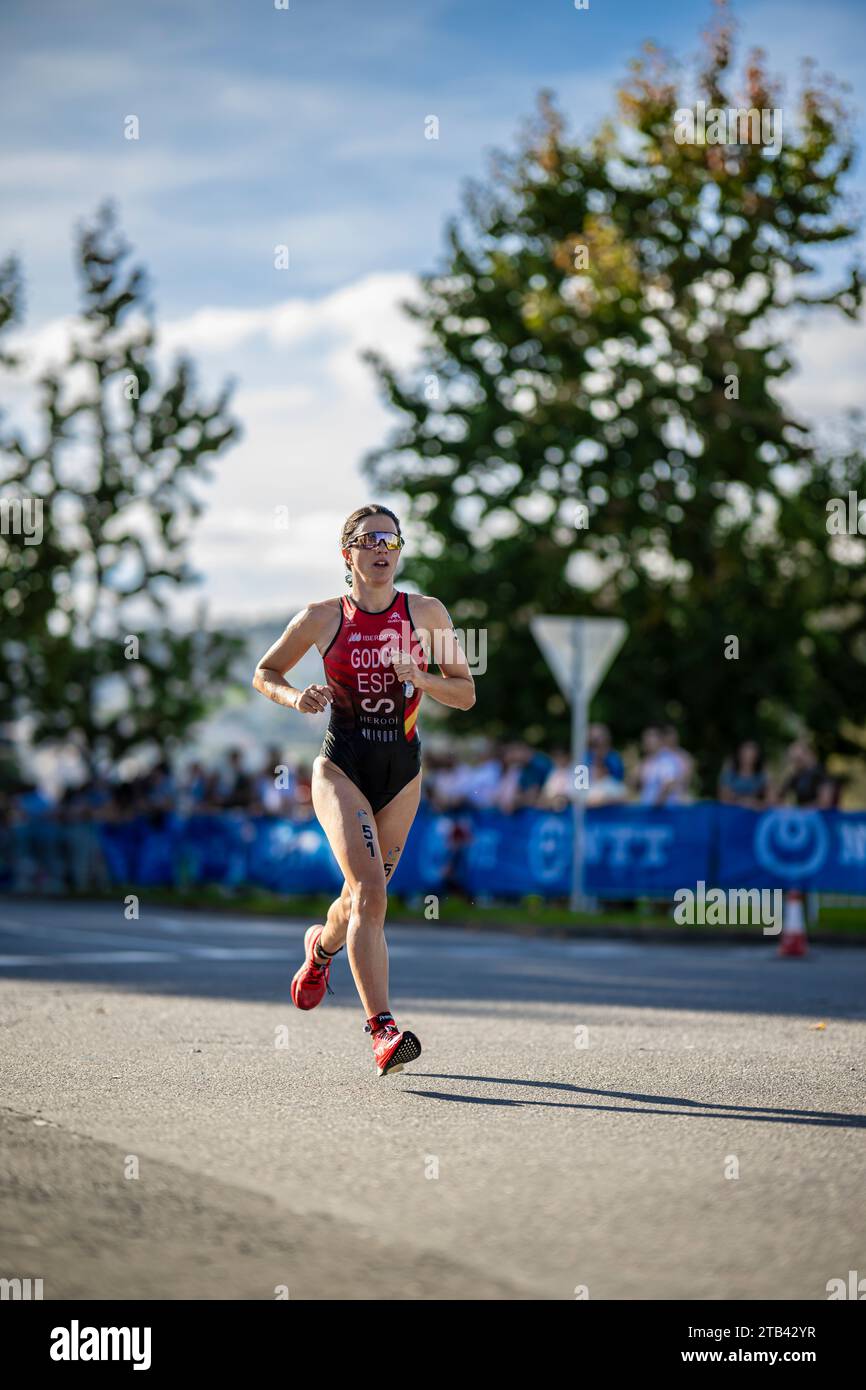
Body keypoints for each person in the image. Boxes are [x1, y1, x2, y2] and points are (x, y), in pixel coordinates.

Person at [252, 504, 475, 1077]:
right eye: (369, 539)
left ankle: (320, 950)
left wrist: (420, 677)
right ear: (347, 553)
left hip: (402, 772)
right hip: (342, 766)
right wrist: (295, 697)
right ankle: (382, 1031)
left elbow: (465, 693)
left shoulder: (426, 613)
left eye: (392, 539)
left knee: (357, 902)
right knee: (371, 891)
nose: (383, 548)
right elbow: (265, 673)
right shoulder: (322, 617)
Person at [718, 740, 769, 809]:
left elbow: (770, 801)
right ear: (739, 754)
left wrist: (755, 803)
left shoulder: (761, 776)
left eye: (751, 754)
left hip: (753, 813)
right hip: (731, 811)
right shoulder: (730, 773)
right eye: (745, 753)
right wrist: (743, 801)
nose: (747, 757)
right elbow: (723, 797)